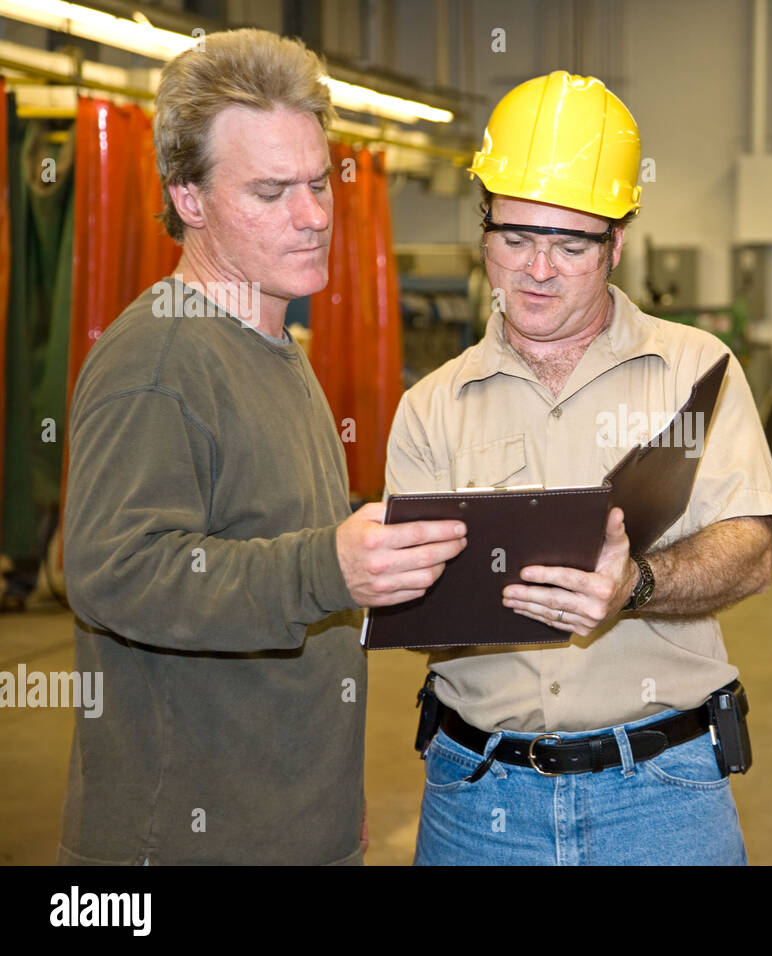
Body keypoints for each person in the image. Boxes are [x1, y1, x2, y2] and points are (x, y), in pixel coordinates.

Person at [58, 29, 466, 865]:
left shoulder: (275, 344)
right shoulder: (161, 358)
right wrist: (327, 567)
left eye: (318, 183)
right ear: (190, 198)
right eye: (272, 192)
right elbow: (114, 574)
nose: (314, 215)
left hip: (291, 833)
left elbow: (271, 558)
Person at [385, 70, 772, 866]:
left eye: (570, 244)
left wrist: (634, 586)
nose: (537, 270)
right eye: (514, 238)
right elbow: (409, 616)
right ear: (483, 232)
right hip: (477, 799)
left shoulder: (695, 371)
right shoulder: (430, 407)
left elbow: (750, 549)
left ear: (615, 244)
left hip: (662, 794)